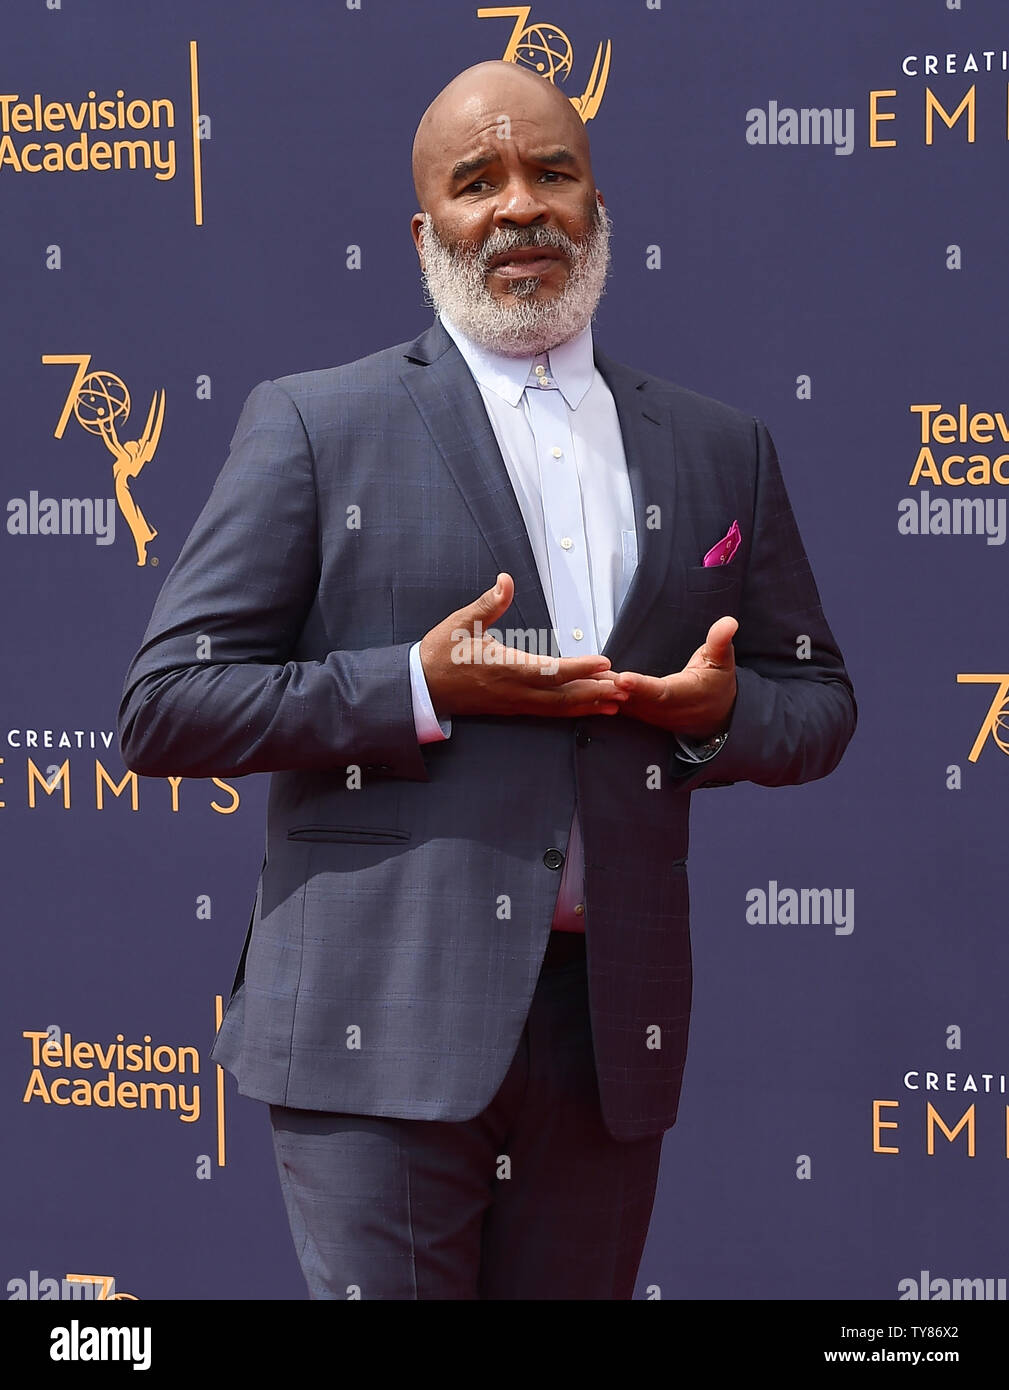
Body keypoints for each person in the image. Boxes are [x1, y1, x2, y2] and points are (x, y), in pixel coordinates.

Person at [118, 60, 856, 1300]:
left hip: (605, 1039)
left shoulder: (722, 446)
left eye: (552, 173)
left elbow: (819, 697)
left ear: (597, 208)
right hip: (378, 1032)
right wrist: (417, 684)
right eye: (477, 182)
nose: (520, 207)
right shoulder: (314, 425)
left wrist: (716, 717)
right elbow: (165, 704)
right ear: (426, 232)